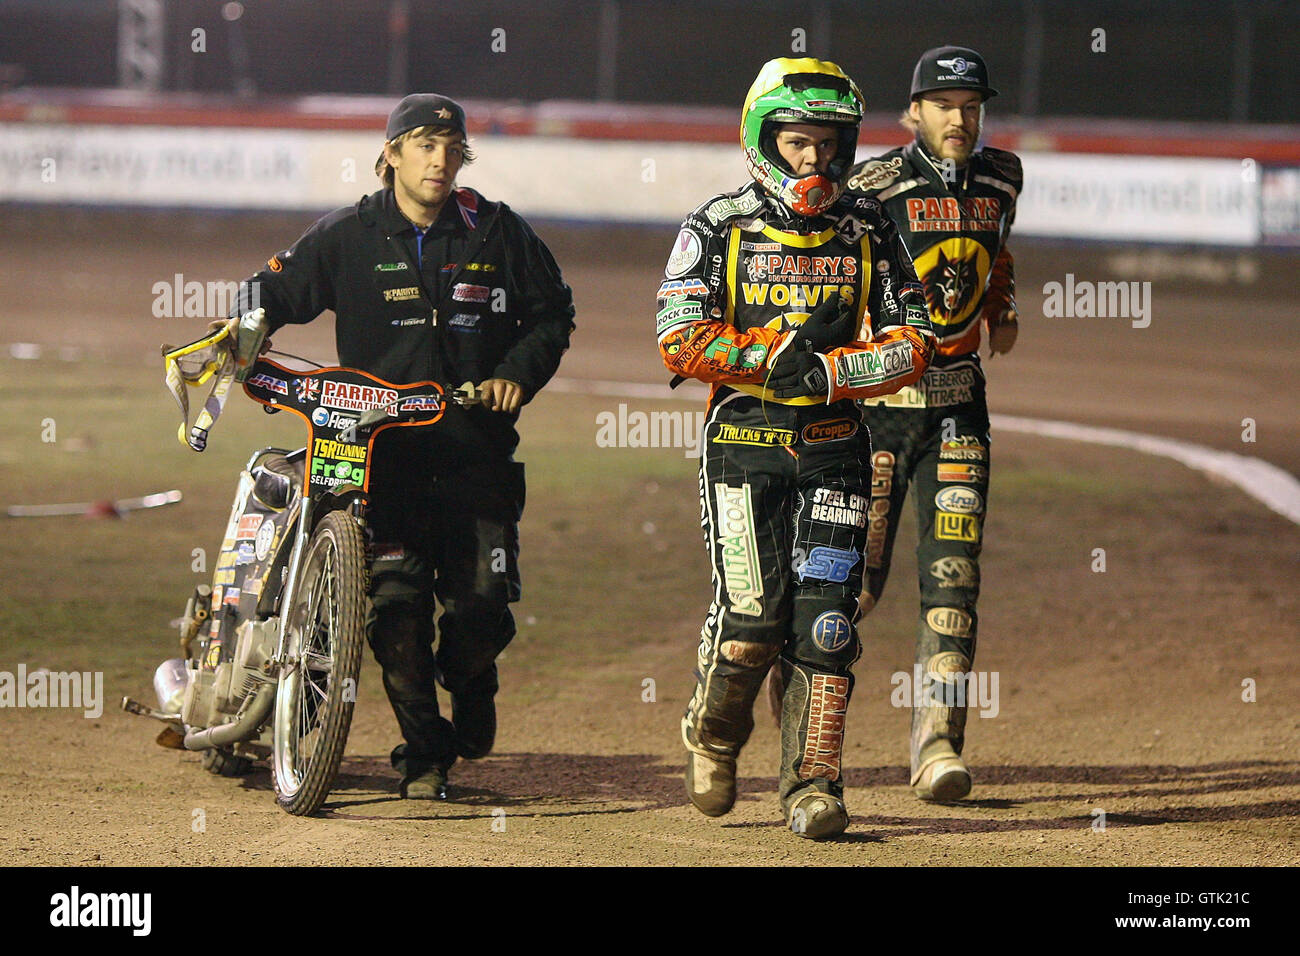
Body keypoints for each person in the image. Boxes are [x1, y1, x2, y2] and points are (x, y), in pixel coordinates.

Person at [220, 93, 575, 799]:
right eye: (424, 147)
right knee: (393, 612)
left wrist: (513, 378)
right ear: (390, 155)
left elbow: (552, 314)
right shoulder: (348, 234)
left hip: (475, 457)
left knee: (479, 610)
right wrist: (241, 333)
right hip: (378, 464)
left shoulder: (496, 233)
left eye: (451, 149)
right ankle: (424, 753)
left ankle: (473, 681)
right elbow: (267, 292)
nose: (440, 162)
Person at [659, 57, 936, 839]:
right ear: (762, 140)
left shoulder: (872, 228)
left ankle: (814, 787)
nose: (814, 159)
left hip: (836, 449)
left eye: (829, 144)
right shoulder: (716, 226)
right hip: (742, 447)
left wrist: (832, 369)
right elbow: (675, 335)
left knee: (826, 627)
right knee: (752, 623)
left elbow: (915, 343)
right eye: (797, 142)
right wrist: (759, 357)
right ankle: (713, 731)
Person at [843, 46, 1021, 802]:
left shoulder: (1003, 178)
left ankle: (937, 744)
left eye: (971, 104)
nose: (960, 117)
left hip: (960, 411)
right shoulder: (870, 185)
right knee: (855, 586)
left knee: (954, 577)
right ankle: (804, 735)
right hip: (876, 417)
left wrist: (1003, 306)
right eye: (944, 104)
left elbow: (996, 255)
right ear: (912, 112)